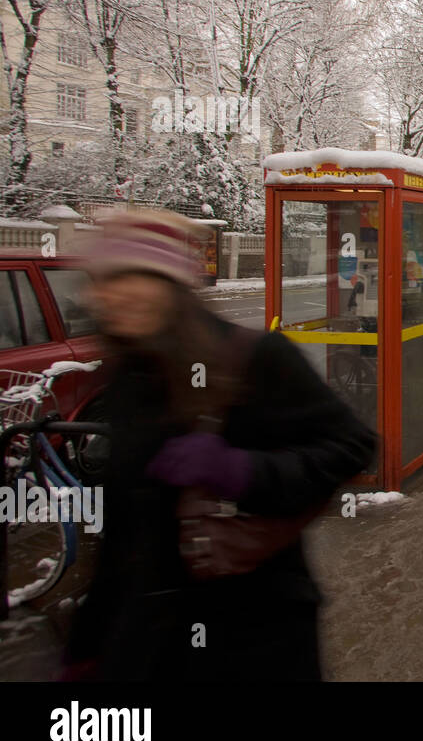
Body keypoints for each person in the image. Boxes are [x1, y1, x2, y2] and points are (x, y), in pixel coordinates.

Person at [62, 208, 374, 681]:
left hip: (253, 634)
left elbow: (353, 446)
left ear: (172, 287)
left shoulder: (255, 358)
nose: (116, 296)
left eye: (136, 279)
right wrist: (87, 645)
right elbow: (122, 533)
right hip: (149, 641)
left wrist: (241, 471)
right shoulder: (127, 376)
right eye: (105, 282)